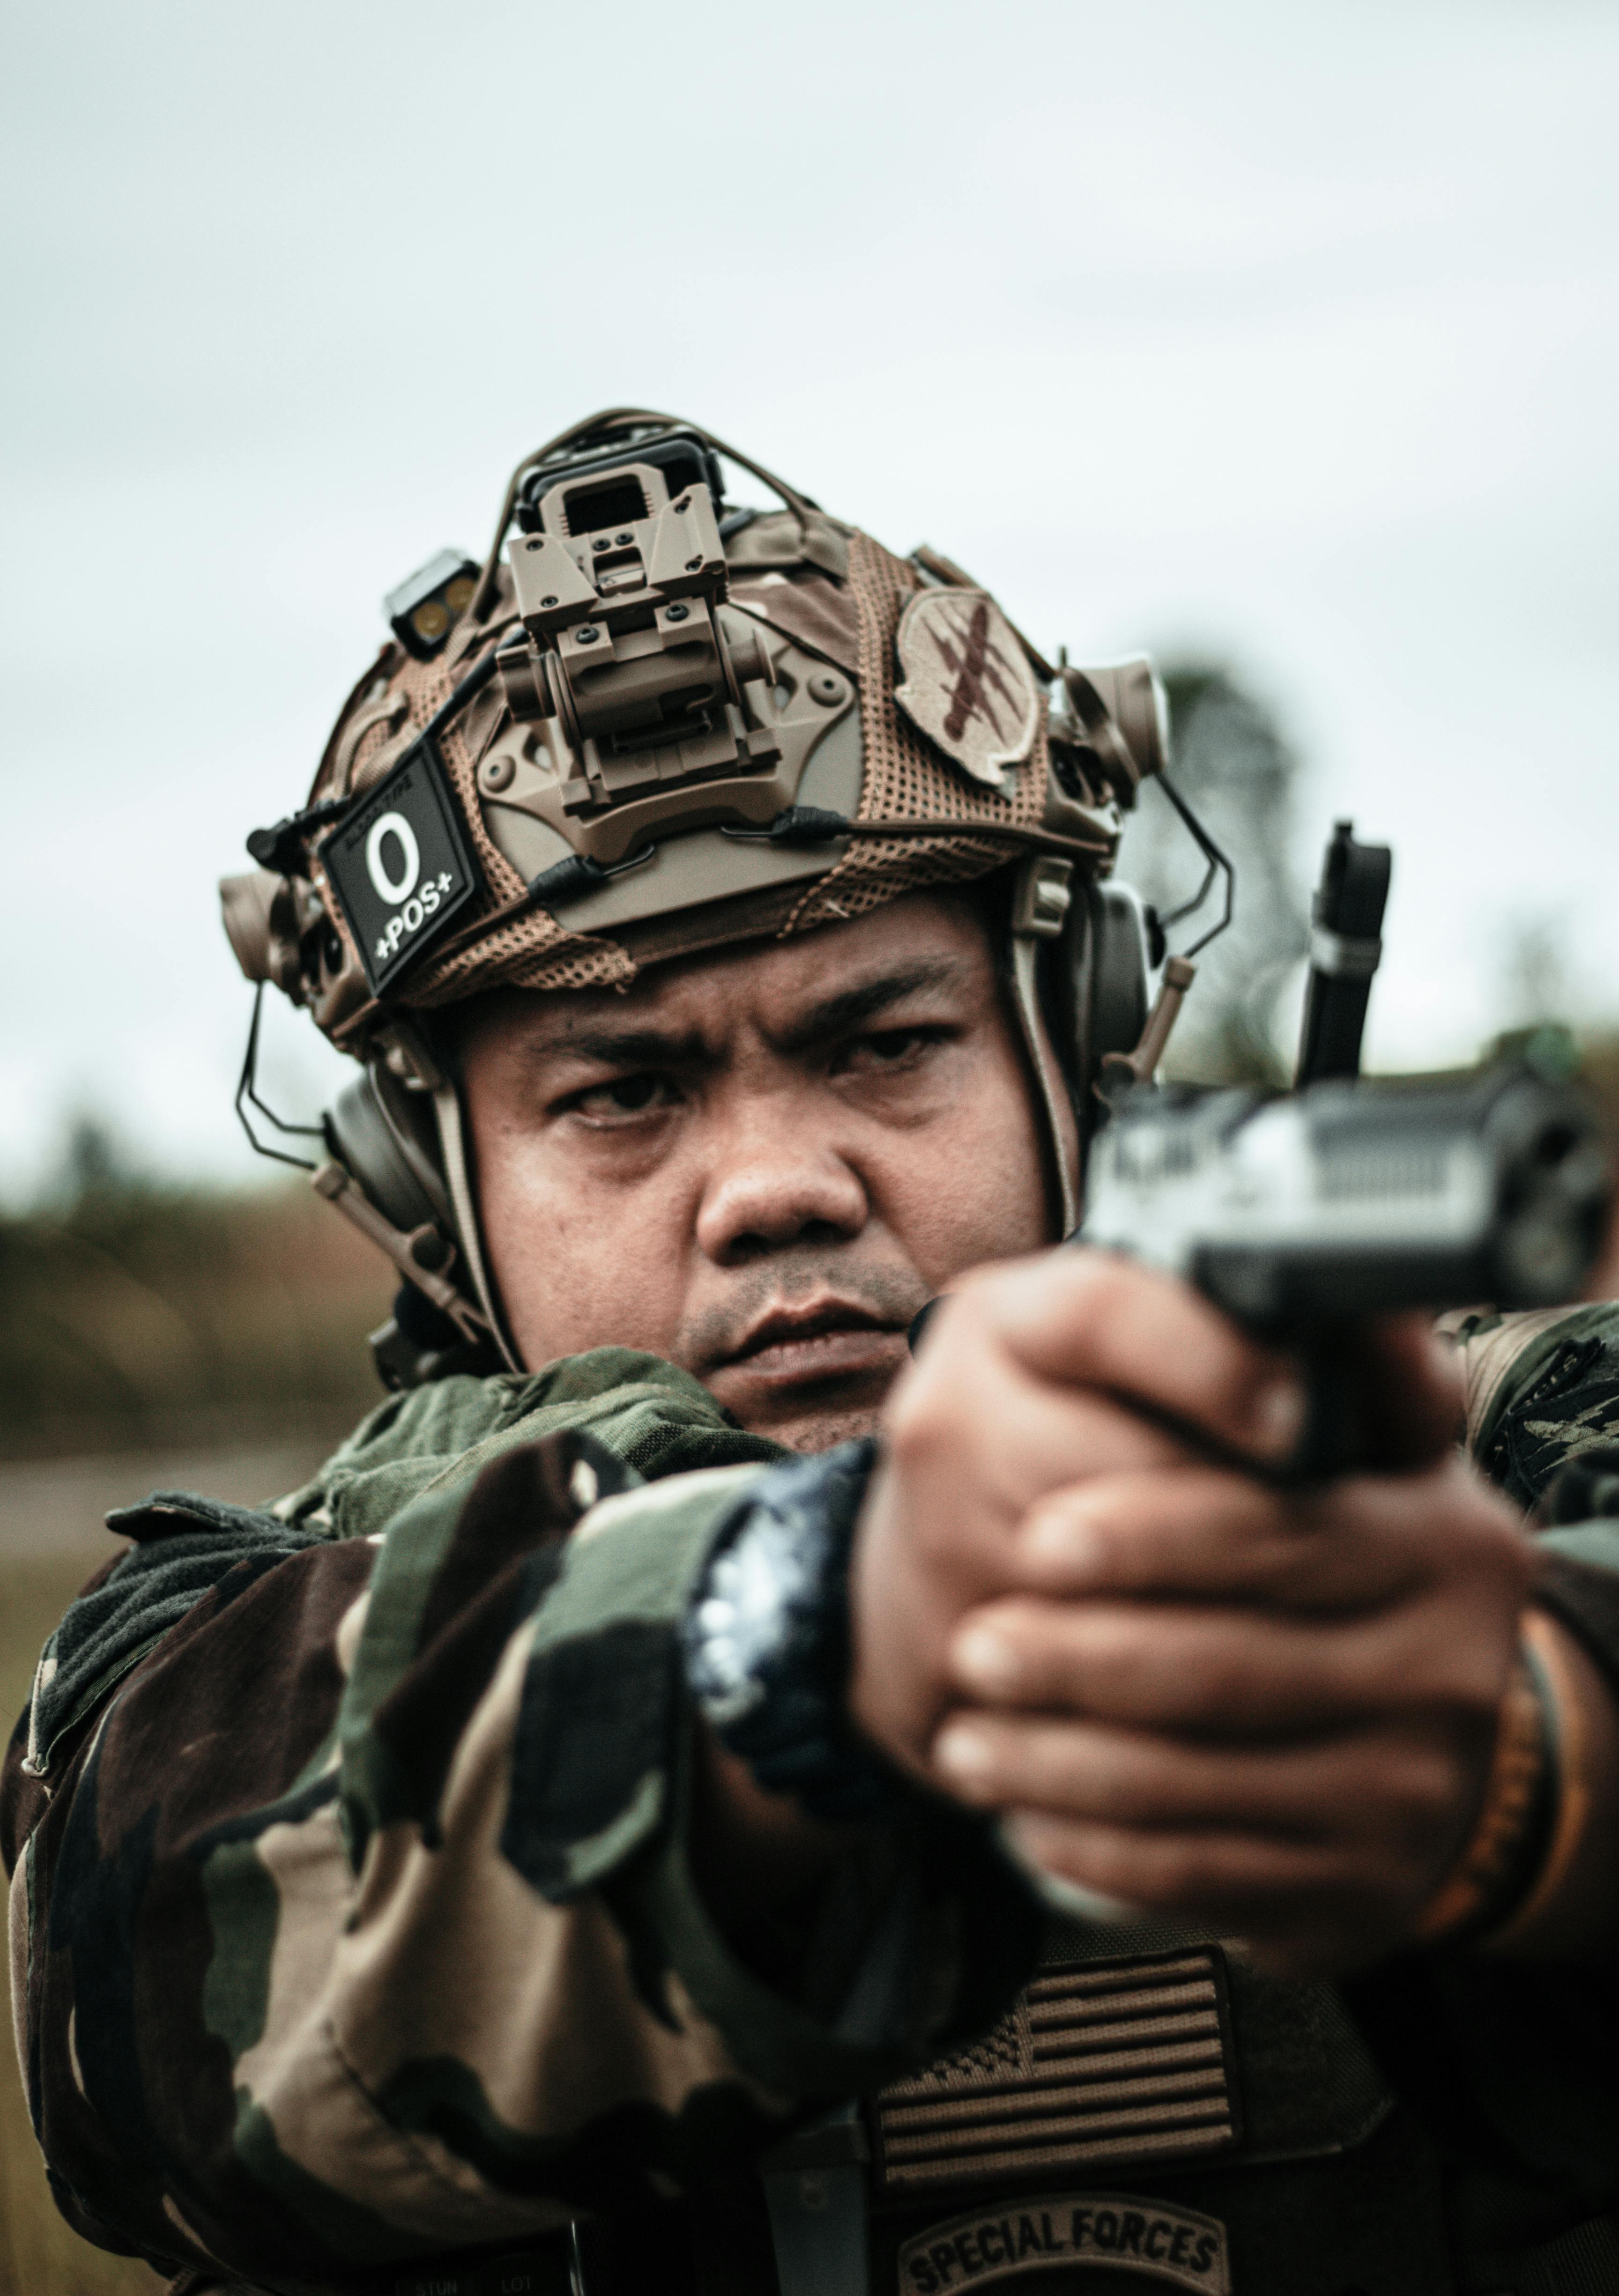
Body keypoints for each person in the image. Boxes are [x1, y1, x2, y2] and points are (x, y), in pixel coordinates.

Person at [8, 408, 1619, 2296]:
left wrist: (1518, 1752)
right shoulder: (211, 1667)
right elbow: (145, 2030)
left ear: (1067, 1037)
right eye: (622, 1091)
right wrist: (833, 1628)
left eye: (879, 1041)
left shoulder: (1485, 1440)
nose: (774, 1186)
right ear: (424, 1179)